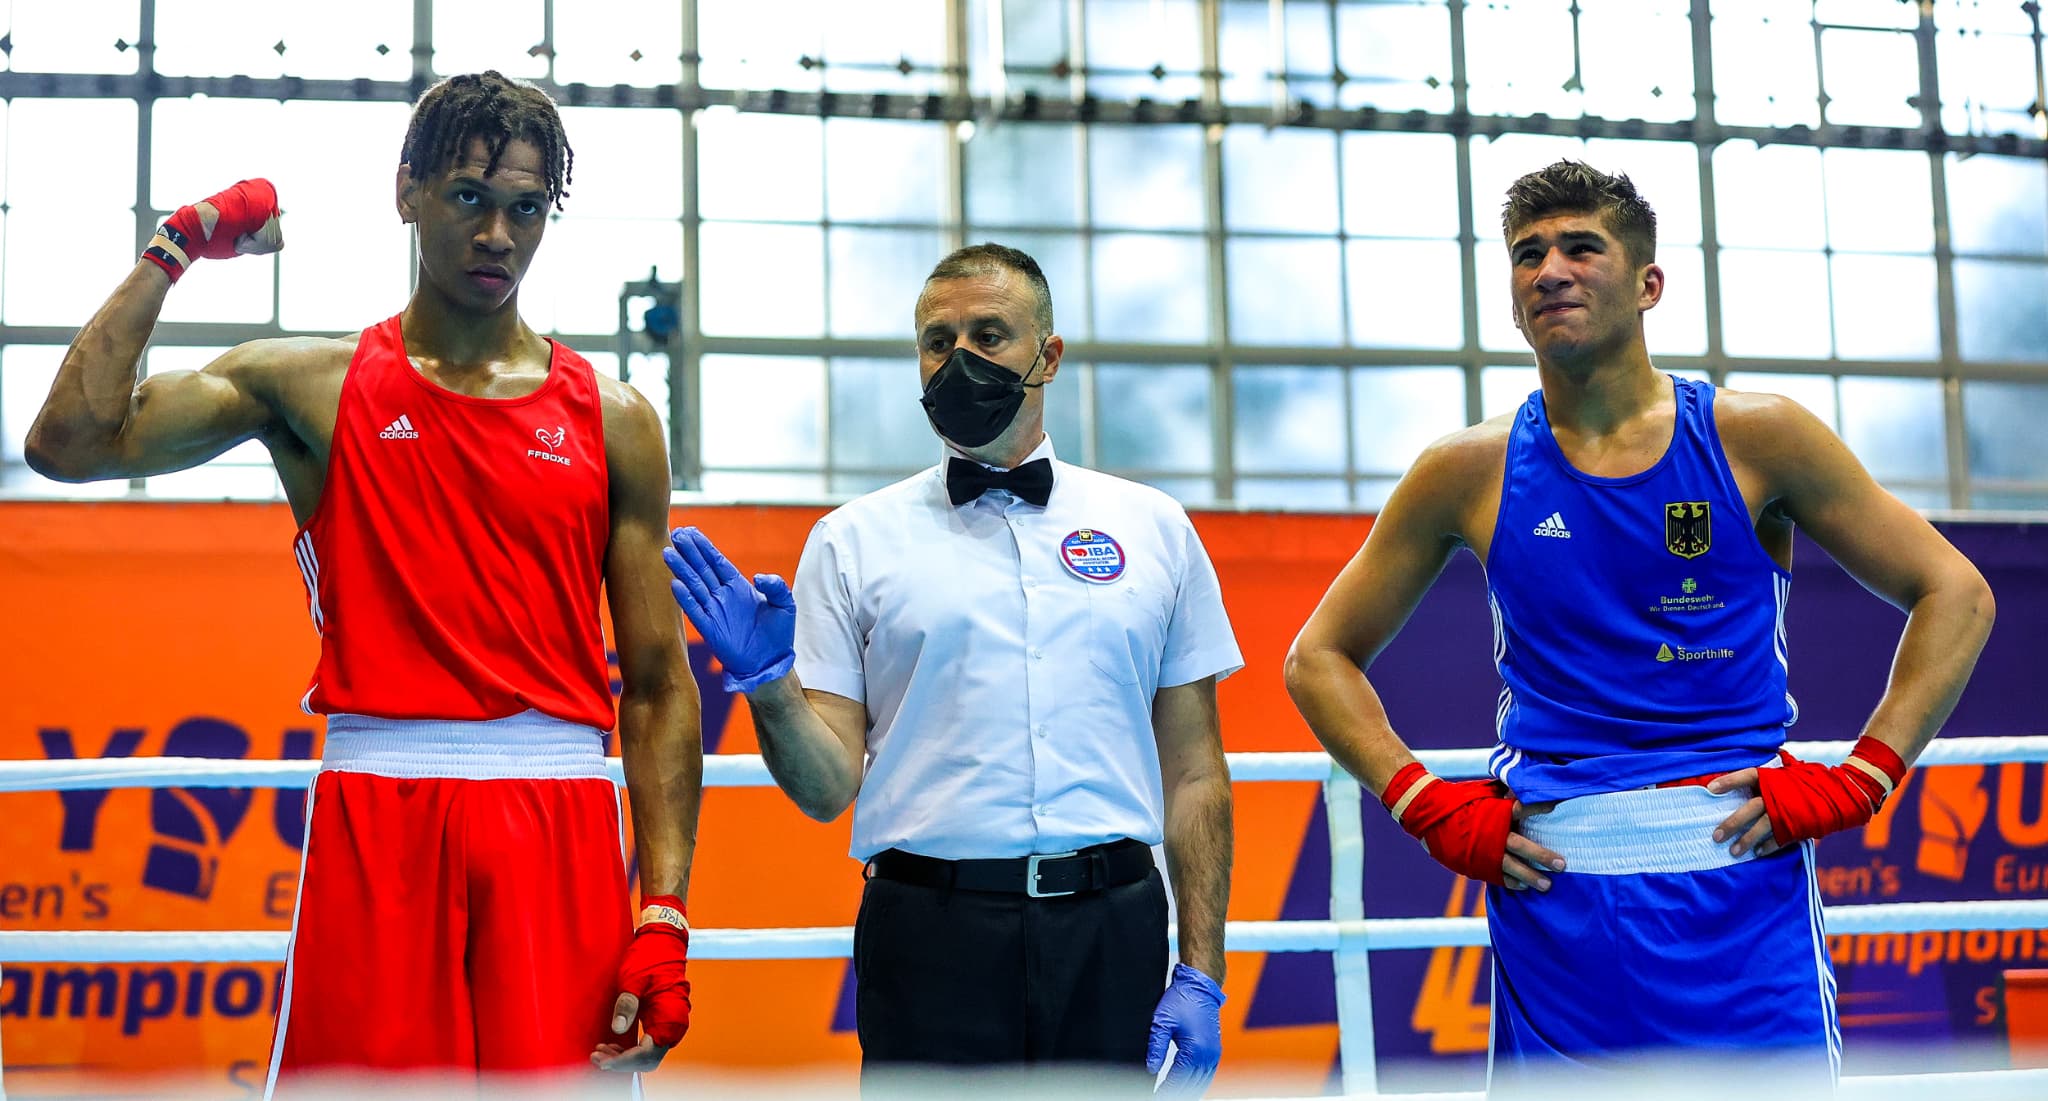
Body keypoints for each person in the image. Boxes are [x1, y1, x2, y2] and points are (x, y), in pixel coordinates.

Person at [24, 72, 701, 1093]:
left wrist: (663, 911)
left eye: (524, 208)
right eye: (469, 198)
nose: (497, 236)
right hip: (380, 801)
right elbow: (67, 443)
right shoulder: (310, 384)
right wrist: (175, 249)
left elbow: (655, 684)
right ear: (409, 193)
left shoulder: (612, 419)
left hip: (557, 810)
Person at [1283, 161, 1995, 1093]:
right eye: (1528, 254)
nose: (1550, 270)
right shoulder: (1466, 468)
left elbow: (1958, 592)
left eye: (1583, 247)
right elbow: (1315, 657)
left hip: (1736, 879)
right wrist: (1421, 799)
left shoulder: (1755, 434)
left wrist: (1868, 772)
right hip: (1555, 895)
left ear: (1648, 283)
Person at [664, 244, 1239, 1095]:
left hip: (1112, 928)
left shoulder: (1154, 527)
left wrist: (1200, 971)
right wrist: (769, 686)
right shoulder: (851, 540)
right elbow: (826, 789)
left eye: (990, 334)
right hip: (928, 934)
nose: (959, 358)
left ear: (1049, 356)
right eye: (938, 340)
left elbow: (1196, 773)